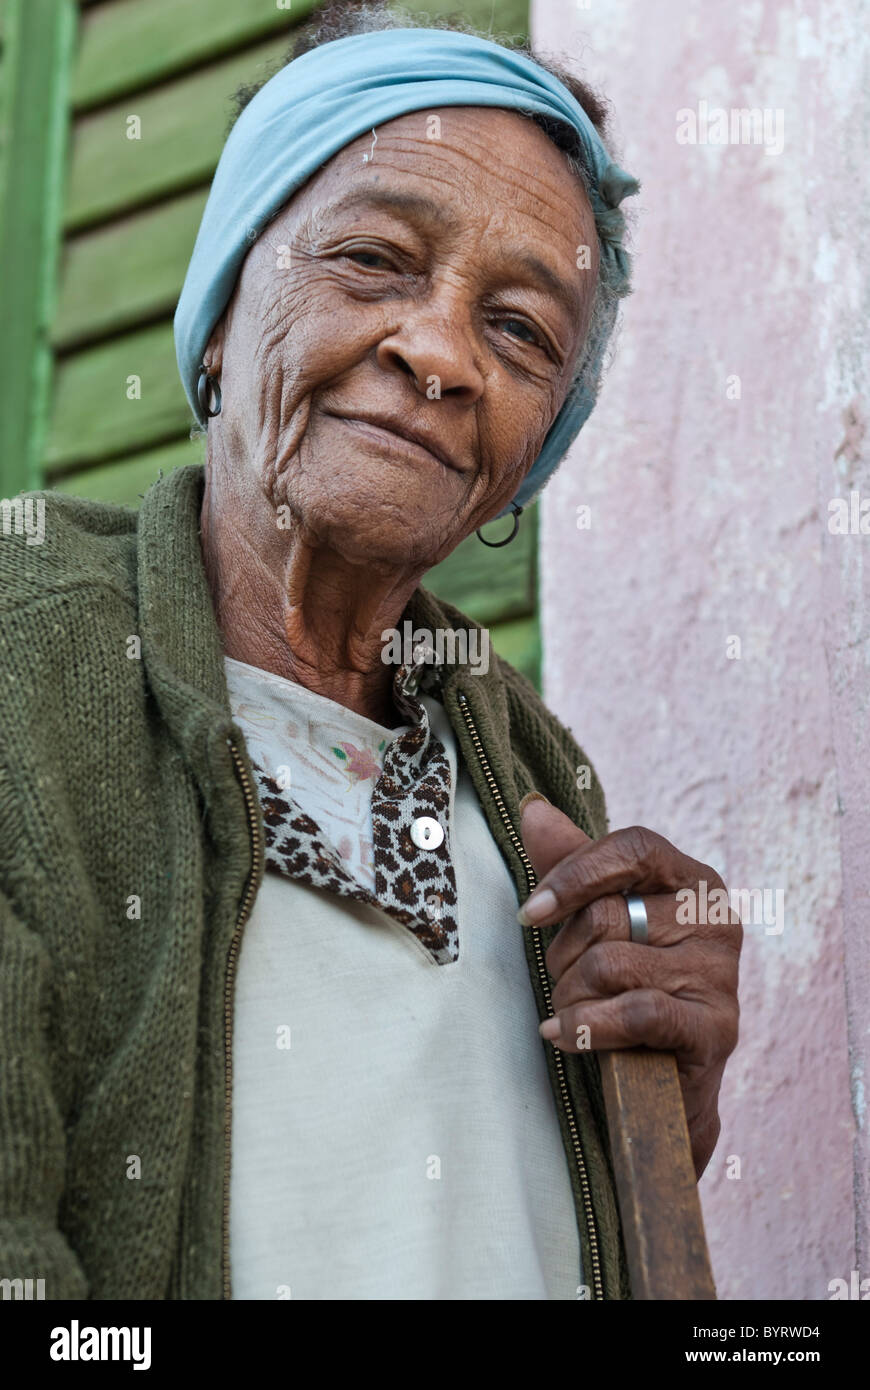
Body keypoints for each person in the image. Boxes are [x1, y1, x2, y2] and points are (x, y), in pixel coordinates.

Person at [0, 1, 740, 1300]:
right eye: (372, 259)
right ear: (221, 310)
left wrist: (658, 1098)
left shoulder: (530, 769)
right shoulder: (29, 656)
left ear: (532, 451)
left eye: (519, 328)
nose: (441, 351)